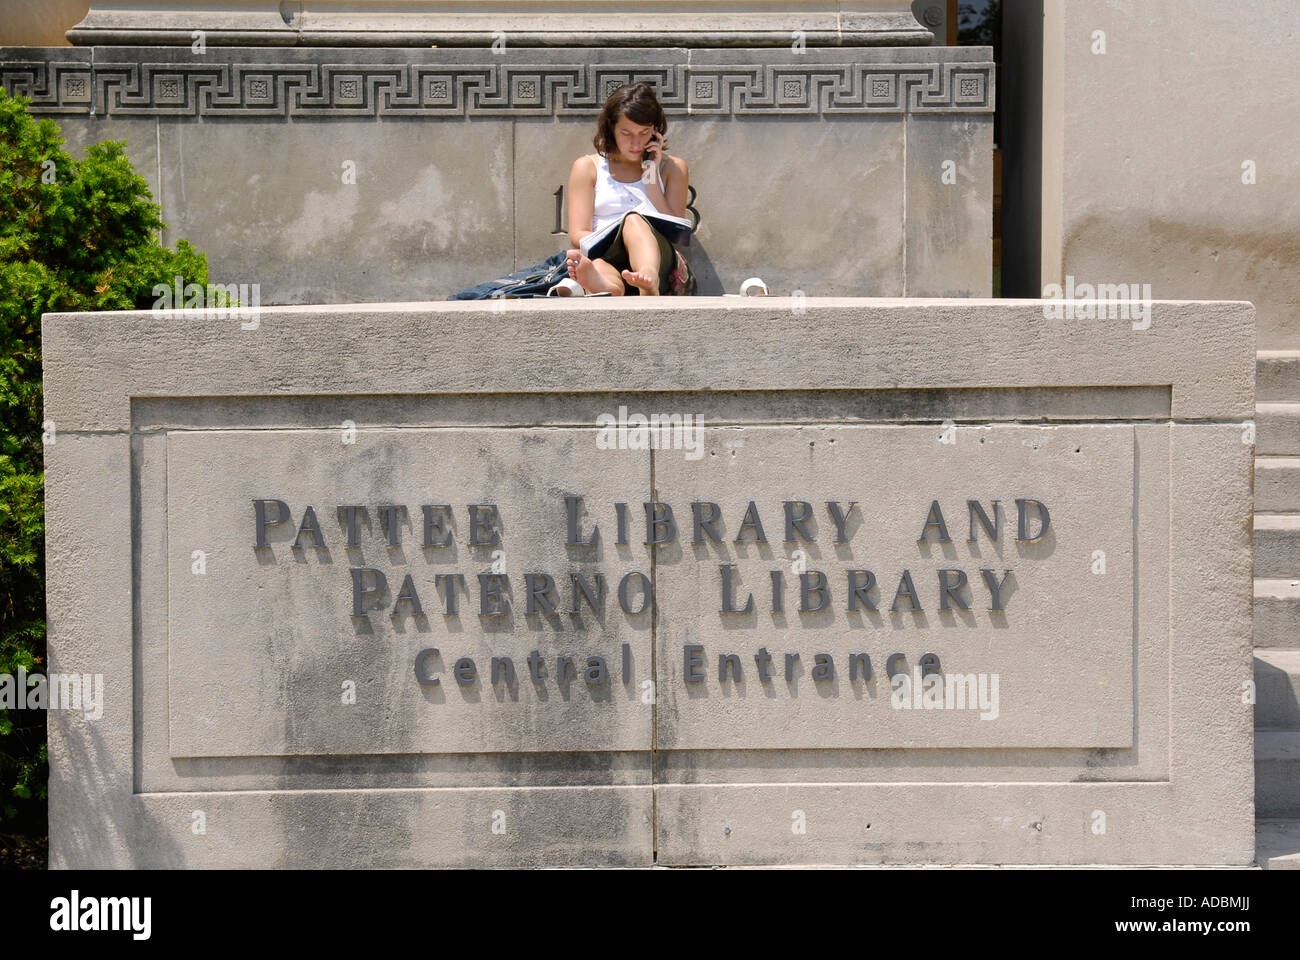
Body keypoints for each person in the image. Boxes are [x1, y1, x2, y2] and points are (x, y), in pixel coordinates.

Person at [564, 82, 690, 296]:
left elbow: (677, 232)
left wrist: (651, 177)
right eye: (626, 133)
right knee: (600, 267)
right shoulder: (588, 167)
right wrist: (615, 238)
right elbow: (577, 234)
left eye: (644, 133)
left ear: (655, 131)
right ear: (611, 126)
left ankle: (648, 280)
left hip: (658, 259)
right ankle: (608, 287)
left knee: (634, 220)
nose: (636, 143)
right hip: (605, 253)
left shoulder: (673, 168)